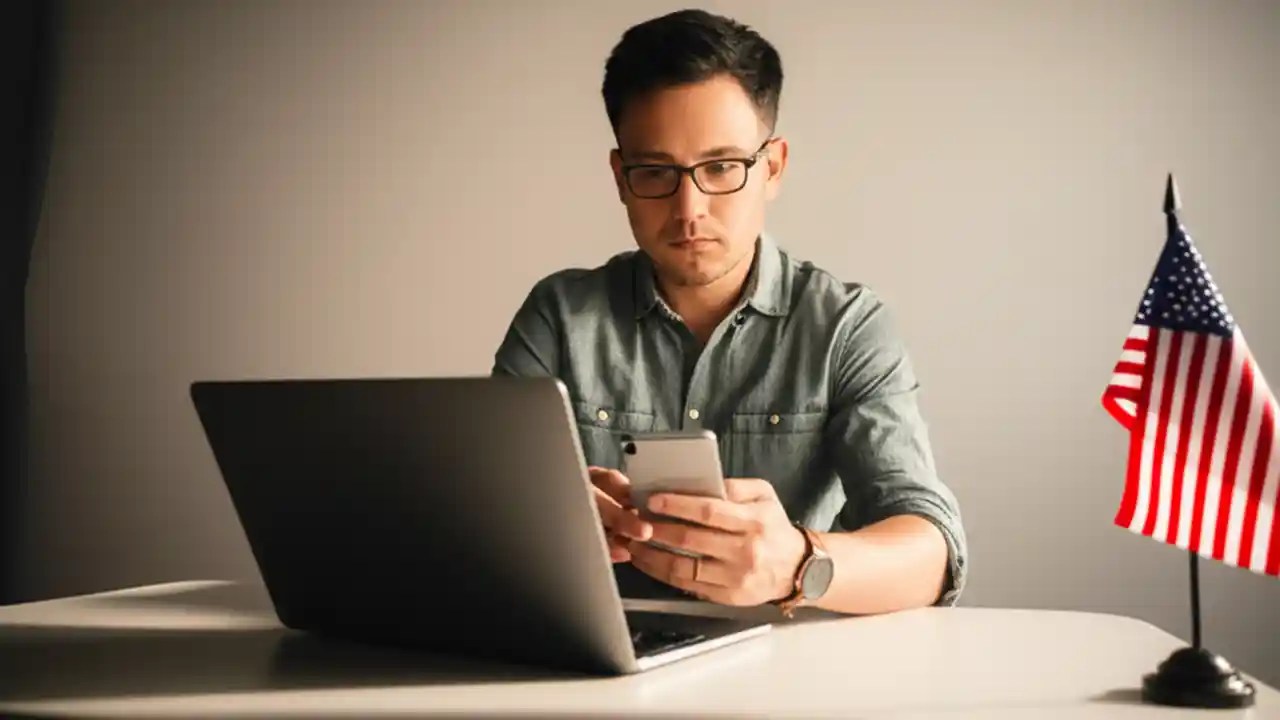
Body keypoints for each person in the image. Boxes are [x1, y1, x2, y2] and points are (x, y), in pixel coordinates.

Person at [492, 8, 966, 615]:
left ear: (772, 167)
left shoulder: (846, 327)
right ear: (620, 176)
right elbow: (484, 517)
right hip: (595, 673)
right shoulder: (558, 316)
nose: (689, 208)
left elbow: (934, 549)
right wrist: (540, 517)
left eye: (721, 167)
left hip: (786, 679)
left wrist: (799, 561)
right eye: (656, 172)